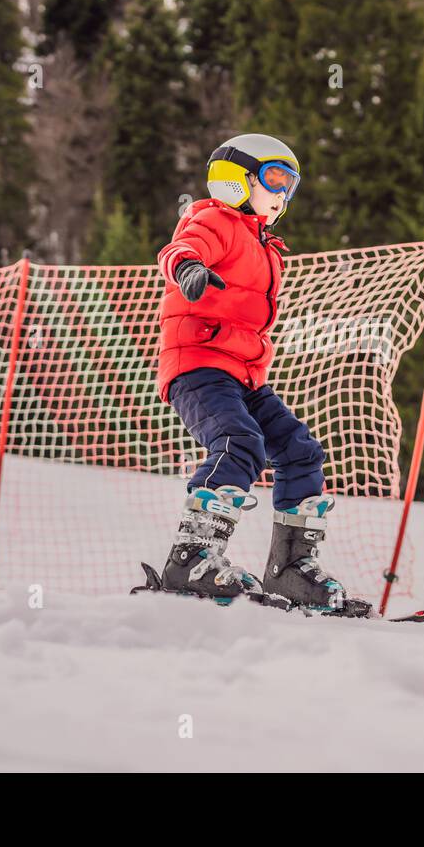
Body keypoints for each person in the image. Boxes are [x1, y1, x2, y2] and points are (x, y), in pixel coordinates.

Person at [154, 133, 362, 615]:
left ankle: (291, 569)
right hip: (198, 363)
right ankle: (190, 558)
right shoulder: (216, 219)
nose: (283, 192)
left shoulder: (266, 245)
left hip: (244, 375)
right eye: (274, 178)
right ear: (236, 179)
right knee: (238, 442)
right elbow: (181, 247)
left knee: (299, 449)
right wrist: (188, 268)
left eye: (291, 183)